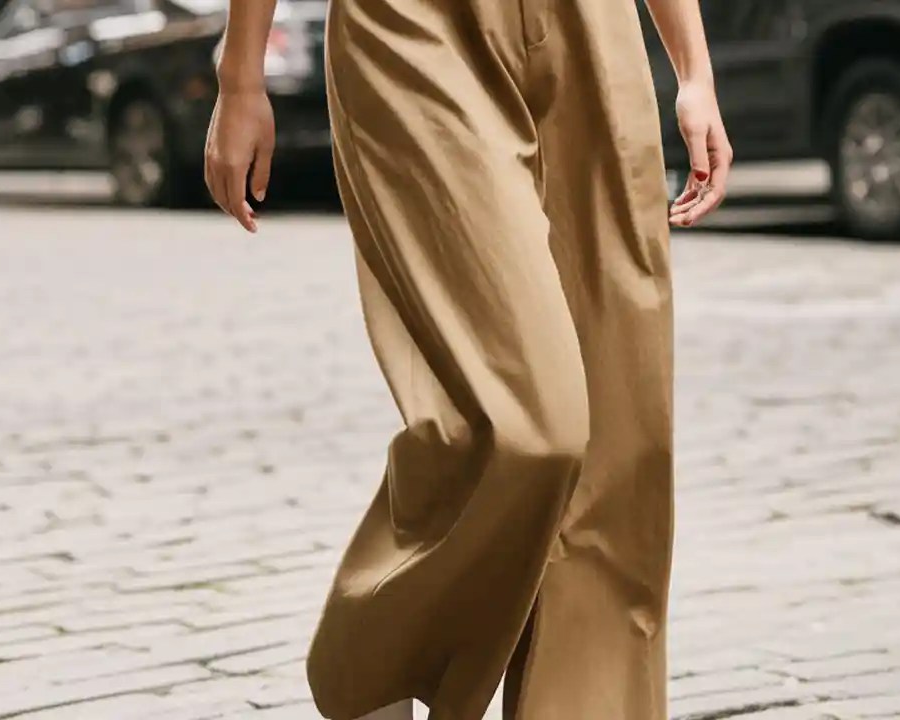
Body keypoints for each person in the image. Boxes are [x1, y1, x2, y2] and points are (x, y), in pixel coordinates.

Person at [204, 0, 732, 715]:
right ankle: (372, 659)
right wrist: (241, 79)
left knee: (620, 430)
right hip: (412, 28)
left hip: (596, 33)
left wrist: (694, 70)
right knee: (531, 423)